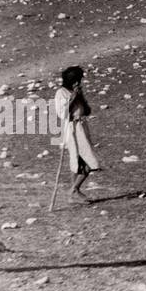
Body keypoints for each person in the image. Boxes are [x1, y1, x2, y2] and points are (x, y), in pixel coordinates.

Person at [54, 65, 99, 200]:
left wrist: (81, 97)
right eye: (78, 79)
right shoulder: (61, 93)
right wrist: (73, 97)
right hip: (72, 129)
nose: (79, 82)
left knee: (79, 161)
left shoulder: (77, 91)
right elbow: (62, 113)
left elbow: (87, 111)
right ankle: (74, 190)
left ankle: (73, 193)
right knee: (84, 162)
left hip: (81, 128)